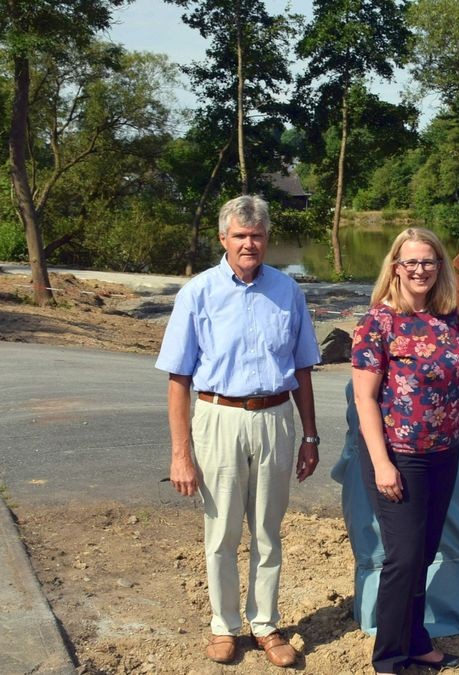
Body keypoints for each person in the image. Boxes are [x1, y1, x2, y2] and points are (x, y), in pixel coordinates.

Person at [155, 194, 321, 666]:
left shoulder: (288, 292)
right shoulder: (198, 293)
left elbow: (304, 369)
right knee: (222, 530)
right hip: (218, 418)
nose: (250, 243)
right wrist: (180, 453)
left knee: (268, 530)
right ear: (223, 238)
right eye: (241, 235)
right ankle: (225, 626)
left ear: (268, 239)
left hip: (274, 417)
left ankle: (266, 625)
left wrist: (310, 437)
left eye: (258, 235)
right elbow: (178, 379)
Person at [351, 227, 459, 674]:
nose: (420, 269)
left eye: (428, 261)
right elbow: (365, 399)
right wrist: (383, 463)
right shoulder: (378, 322)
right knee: (403, 558)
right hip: (399, 456)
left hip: (444, 454)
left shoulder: (448, 315)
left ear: (440, 267)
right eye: (410, 262)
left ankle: (417, 640)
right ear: (395, 268)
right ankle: (388, 659)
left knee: (423, 552)